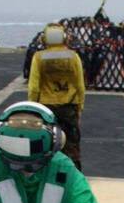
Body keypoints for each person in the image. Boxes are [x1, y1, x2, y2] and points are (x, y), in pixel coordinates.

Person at [27, 23, 86, 170]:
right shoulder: (73, 57)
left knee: (44, 143)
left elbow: (34, 87)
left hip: (45, 107)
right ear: (65, 38)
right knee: (72, 145)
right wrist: (80, 108)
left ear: (44, 39)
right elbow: (80, 85)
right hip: (69, 106)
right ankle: (74, 175)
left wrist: (32, 107)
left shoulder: (39, 57)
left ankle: (43, 172)